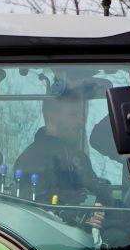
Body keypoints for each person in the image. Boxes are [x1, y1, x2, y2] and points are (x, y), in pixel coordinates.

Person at [13, 79, 116, 207]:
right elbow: (37, 209)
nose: (81, 122)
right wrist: (84, 214)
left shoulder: (78, 158)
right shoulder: (33, 160)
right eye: (73, 115)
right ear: (51, 117)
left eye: (82, 115)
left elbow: (97, 194)